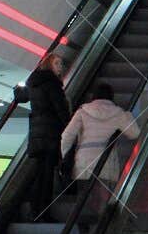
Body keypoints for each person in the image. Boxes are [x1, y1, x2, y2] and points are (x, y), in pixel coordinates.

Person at [60, 83, 141, 198]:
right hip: (105, 165)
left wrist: (64, 157)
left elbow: (67, 136)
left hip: (83, 165)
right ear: (111, 97)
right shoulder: (118, 113)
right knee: (101, 203)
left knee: (84, 202)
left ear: (94, 96)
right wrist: (127, 115)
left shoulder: (82, 112)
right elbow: (135, 133)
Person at [15, 53, 70, 219]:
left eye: (61, 63)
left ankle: (34, 209)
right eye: (57, 63)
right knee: (47, 174)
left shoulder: (34, 83)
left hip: (37, 134)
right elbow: (60, 109)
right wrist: (70, 126)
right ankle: (43, 211)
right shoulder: (52, 84)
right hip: (51, 133)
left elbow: (20, 97)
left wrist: (17, 88)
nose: (60, 67)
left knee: (40, 171)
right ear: (49, 65)